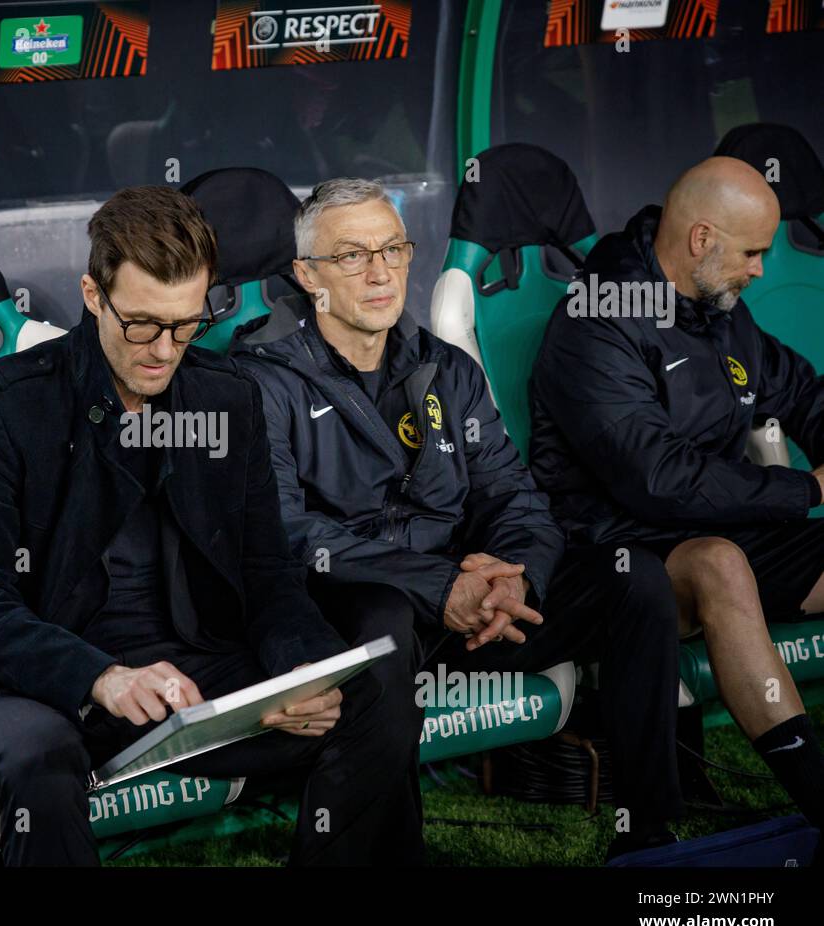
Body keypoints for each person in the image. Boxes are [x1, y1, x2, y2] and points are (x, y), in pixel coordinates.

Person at [0, 185, 408, 866]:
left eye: (185, 325)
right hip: (49, 677)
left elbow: (267, 574)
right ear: (93, 295)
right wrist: (101, 678)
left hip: (194, 670)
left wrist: (297, 670)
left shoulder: (226, 397)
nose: (164, 350)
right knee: (35, 756)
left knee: (366, 694)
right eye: (141, 324)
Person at [234, 178, 684, 859]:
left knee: (634, 579)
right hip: (358, 608)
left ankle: (650, 838)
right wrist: (439, 585)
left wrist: (517, 581)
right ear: (306, 275)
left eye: (393, 248)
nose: (382, 272)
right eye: (353, 256)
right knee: (381, 615)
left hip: (469, 614)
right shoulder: (262, 380)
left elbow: (515, 498)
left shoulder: (444, 368)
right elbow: (286, 535)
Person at [529, 156, 824, 838]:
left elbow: (801, 392)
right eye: (752, 253)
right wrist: (803, 487)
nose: (759, 270)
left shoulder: (717, 309)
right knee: (719, 562)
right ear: (701, 239)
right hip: (618, 553)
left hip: (716, 524)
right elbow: (656, 478)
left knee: (726, 552)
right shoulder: (597, 318)